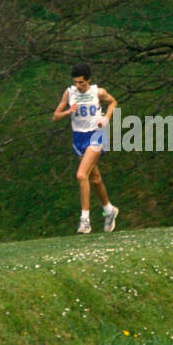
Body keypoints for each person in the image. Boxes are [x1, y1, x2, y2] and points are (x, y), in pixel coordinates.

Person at [52, 62, 119, 233]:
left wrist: (106, 118)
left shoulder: (98, 92)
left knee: (81, 175)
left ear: (88, 80)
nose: (78, 86)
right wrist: (68, 111)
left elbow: (113, 102)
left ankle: (85, 220)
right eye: (76, 82)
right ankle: (109, 210)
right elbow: (55, 116)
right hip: (79, 138)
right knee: (95, 179)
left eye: (81, 82)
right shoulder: (69, 93)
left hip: (96, 135)